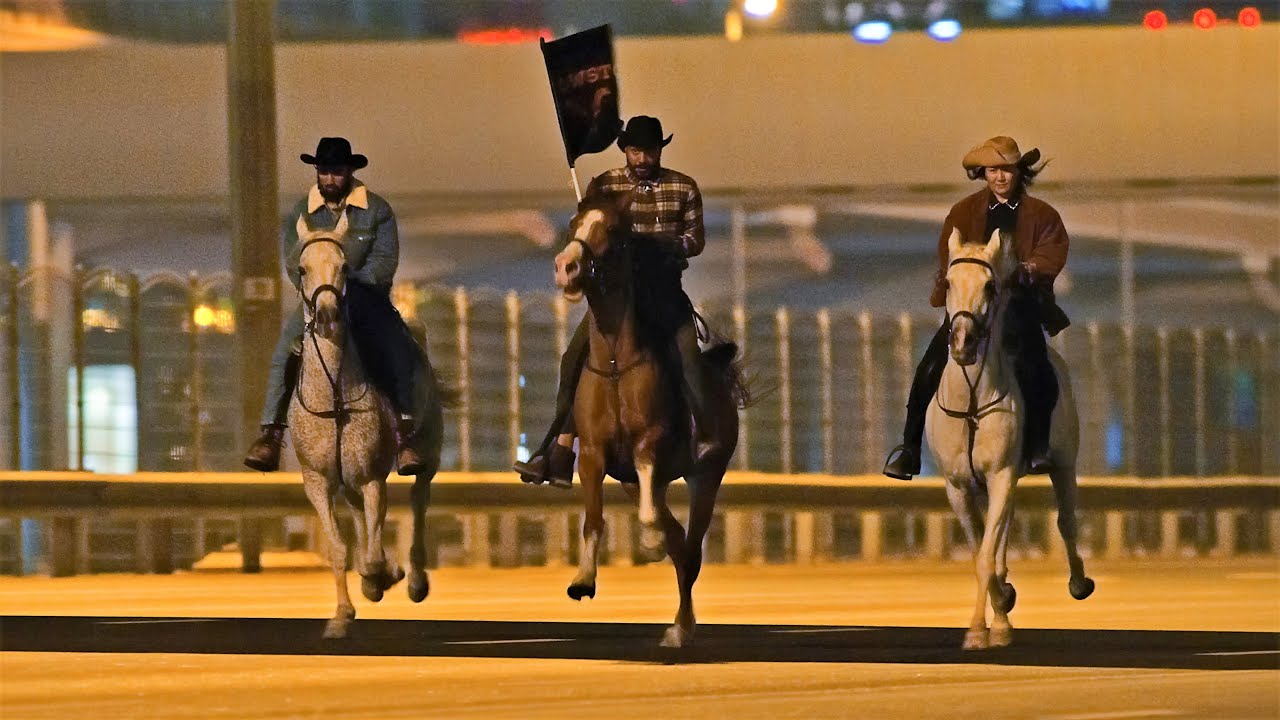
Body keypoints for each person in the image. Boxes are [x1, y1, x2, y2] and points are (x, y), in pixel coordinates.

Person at [514, 115, 713, 487]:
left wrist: (660, 246)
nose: (643, 158)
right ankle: (556, 448)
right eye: (636, 151)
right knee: (573, 360)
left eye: (649, 151)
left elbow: (695, 239)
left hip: (663, 292)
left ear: (659, 151)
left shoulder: (683, 188)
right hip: (618, 299)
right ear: (625, 150)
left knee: (687, 355)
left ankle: (702, 436)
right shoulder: (604, 185)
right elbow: (588, 229)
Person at [883, 136, 1071, 481]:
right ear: (983, 173)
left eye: (1007, 170)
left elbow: (1053, 249)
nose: (1000, 177)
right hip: (972, 309)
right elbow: (950, 257)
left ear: (1019, 172)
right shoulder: (963, 212)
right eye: (993, 170)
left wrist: (1029, 269)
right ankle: (909, 450)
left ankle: (1039, 445)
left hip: (1018, 308)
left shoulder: (1042, 215)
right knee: (928, 369)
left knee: (1037, 368)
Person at [243, 136, 428, 475]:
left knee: (397, 348)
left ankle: (404, 436)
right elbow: (292, 261)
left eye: (337, 172)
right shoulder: (301, 213)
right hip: (317, 302)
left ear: (349, 172)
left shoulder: (377, 210)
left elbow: (384, 262)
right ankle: (270, 434)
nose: (330, 179)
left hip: (365, 301)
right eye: (324, 171)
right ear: (317, 171)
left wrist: (346, 287)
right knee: (285, 352)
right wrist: (318, 293)